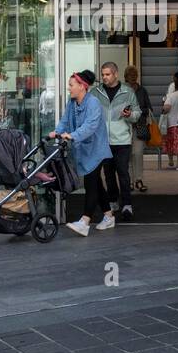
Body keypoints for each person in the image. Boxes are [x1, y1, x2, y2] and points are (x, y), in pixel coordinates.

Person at [52, 70, 113, 237]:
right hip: (84, 150)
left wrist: (72, 135)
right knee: (98, 184)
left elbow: (90, 126)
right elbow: (65, 120)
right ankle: (108, 216)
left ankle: (85, 222)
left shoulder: (93, 103)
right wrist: (56, 132)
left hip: (97, 149)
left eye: (71, 85)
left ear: (82, 86)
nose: (69, 88)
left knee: (91, 182)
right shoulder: (71, 102)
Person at [92, 62, 140, 225]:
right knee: (108, 174)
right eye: (103, 74)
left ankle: (127, 204)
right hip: (104, 140)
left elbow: (137, 113)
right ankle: (113, 201)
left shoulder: (127, 92)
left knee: (123, 173)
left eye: (107, 74)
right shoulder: (96, 92)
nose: (104, 77)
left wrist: (129, 114)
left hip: (122, 140)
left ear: (115, 74)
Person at [124, 65, 153, 195]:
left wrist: (140, 111)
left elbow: (149, 108)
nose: (133, 77)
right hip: (124, 127)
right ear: (126, 77)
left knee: (138, 153)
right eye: (130, 75)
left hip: (140, 126)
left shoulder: (142, 90)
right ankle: (129, 181)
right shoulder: (122, 90)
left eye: (135, 75)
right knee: (128, 155)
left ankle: (139, 179)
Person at [162, 72, 178, 169]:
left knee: (170, 142)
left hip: (171, 123)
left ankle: (171, 160)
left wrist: (163, 106)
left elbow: (166, 108)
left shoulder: (171, 96)